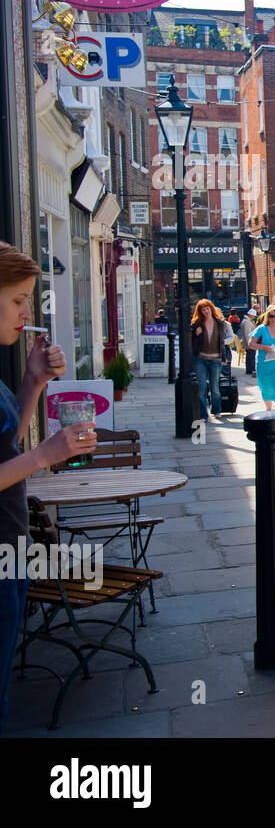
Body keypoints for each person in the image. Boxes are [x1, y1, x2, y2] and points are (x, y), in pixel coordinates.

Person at [0, 242, 97, 730]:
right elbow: (21, 456)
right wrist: (45, 456)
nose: (26, 312)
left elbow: (6, 443)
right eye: (17, 299)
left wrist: (34, 380)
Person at [191, 299, 235, 422]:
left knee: (215, 387)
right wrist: (195, 333)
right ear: (200, 312)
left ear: (211, 309)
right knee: (202, 388)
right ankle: (203, 414)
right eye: (203, 309)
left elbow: (222, 343)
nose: (206, 311)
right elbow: (191, 341)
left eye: (207, 308)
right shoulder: (197, 324)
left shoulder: (220, 323)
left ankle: (216, 410)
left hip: (215, 359)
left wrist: (224, 358)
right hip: (201, 359)